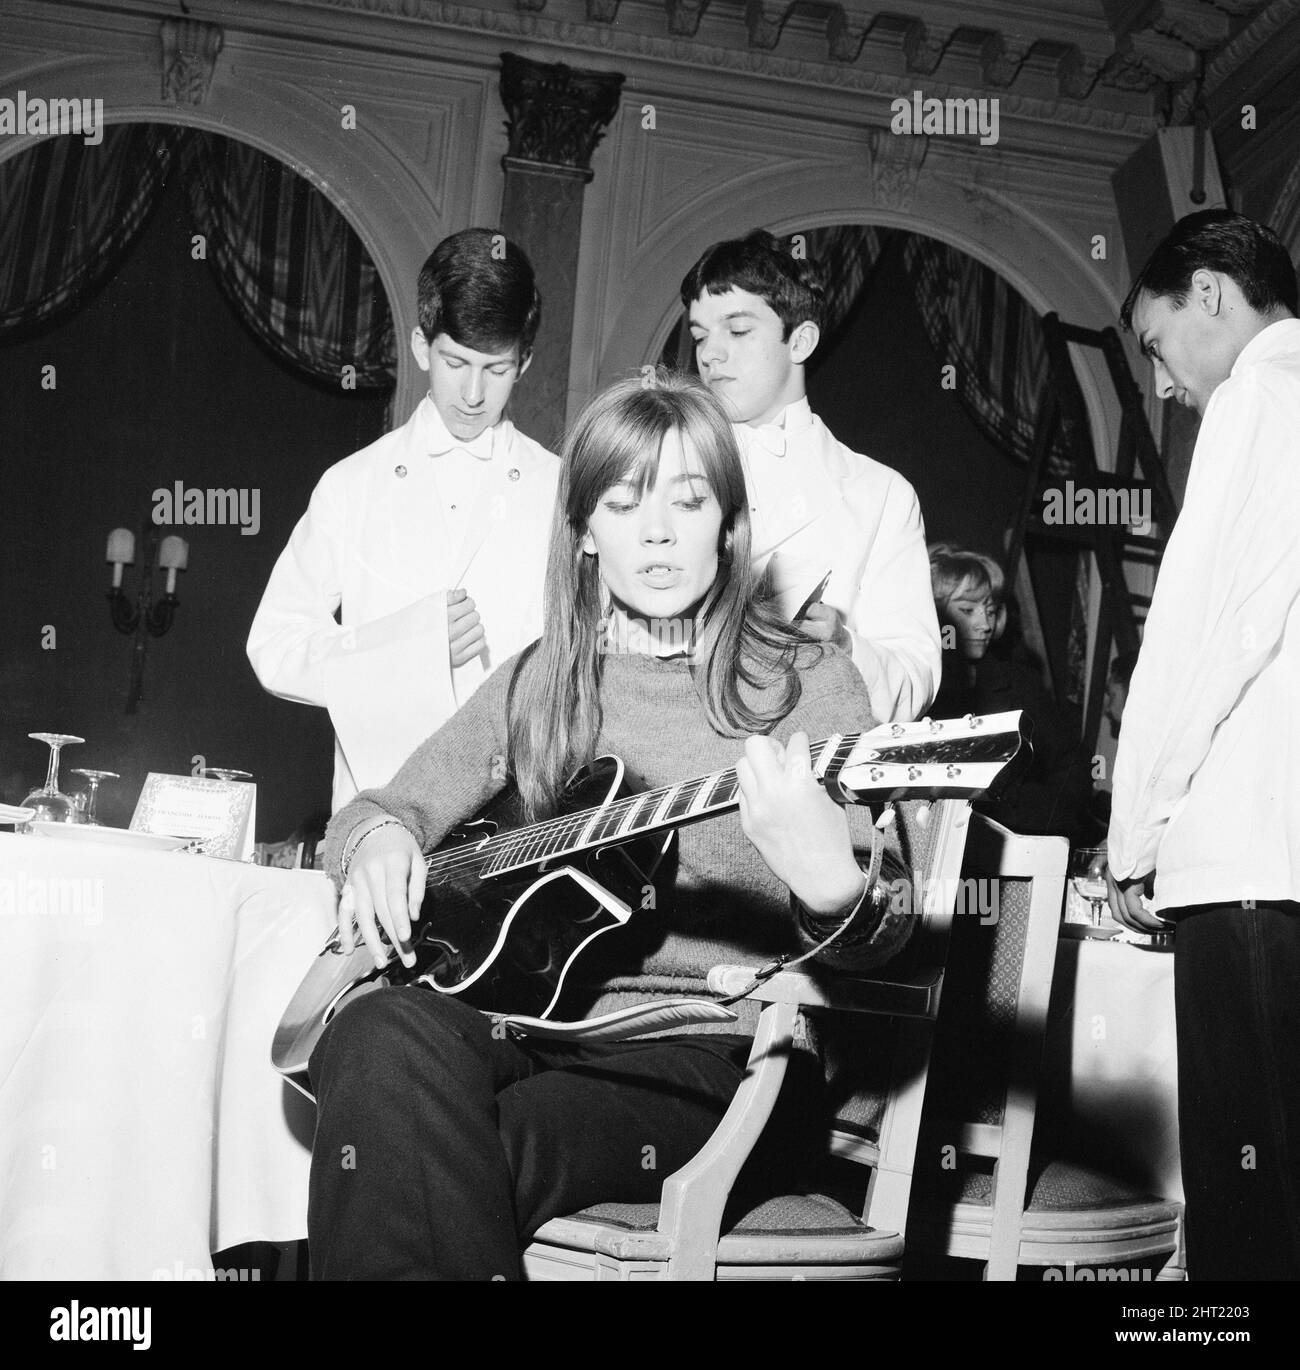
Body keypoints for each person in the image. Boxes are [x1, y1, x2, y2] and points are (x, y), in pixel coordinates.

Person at [307, 372, 915, 1280]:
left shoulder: (804, 681)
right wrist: (379, 838)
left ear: (729, 526)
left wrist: (832, 883)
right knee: (374, 1036)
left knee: (439, 1156)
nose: (659, 530)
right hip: (531, 1025)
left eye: (689, 499)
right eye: (624, 504)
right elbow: (379, 805)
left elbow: (892, 924)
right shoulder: (541, 678)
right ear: (586, 534)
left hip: (722, 1056)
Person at [1106, 209, 1300, 1281]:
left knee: (1248, 1219)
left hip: (1247, 870)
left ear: (1213, 294)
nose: (1162, 380)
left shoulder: (1257, 399)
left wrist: (1133, 829)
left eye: (1156, 342)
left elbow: (1202, 635)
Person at [247, 229, 560, 810]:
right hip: (379, 817)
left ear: (526, 364)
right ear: (421, 347)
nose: (472, 392)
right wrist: (404, 653)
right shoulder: (351, 485)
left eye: (496, 369)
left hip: (515, 821)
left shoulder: (562, 489)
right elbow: (274, 645)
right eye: (455, 362)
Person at [681, 230, 941, 723]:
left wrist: (843, 646)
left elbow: (913, 681)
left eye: (737, 331)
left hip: (809, 765)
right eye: (699, 336)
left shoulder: (881, 494)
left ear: (800, 340)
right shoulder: (664, 464)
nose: (710, 355)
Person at [928, 543, 1090, 839]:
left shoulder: (1021, 683)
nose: (985, 623)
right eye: (967, 610)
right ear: (933, 614)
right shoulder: (913, 689)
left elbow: (1072, 765)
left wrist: (1026, 826)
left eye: (990, 610)